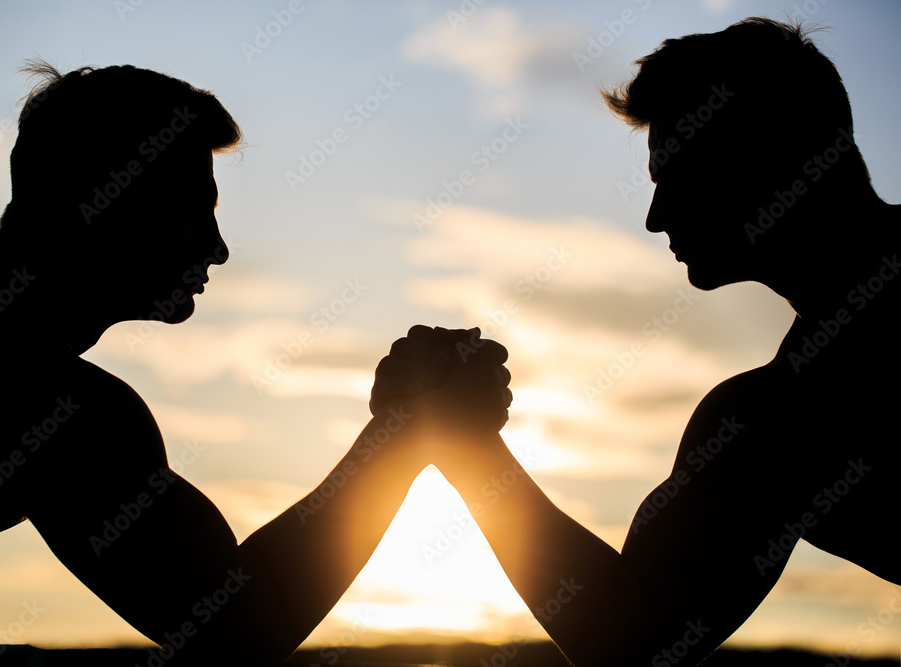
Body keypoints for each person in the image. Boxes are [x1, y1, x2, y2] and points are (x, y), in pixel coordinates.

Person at [0, 61, 512, 664]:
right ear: (106, 202)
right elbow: (232, 628)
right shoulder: (56, 404)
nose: (216, 248)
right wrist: (398, 440)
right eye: (196, 206)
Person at [376, 17, 900, 665]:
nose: (655, 217)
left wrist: (467, 448)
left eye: (673, 174)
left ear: (758, 156)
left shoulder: (775, 420)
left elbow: (635, 643)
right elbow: (643, 634)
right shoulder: (770, 414)